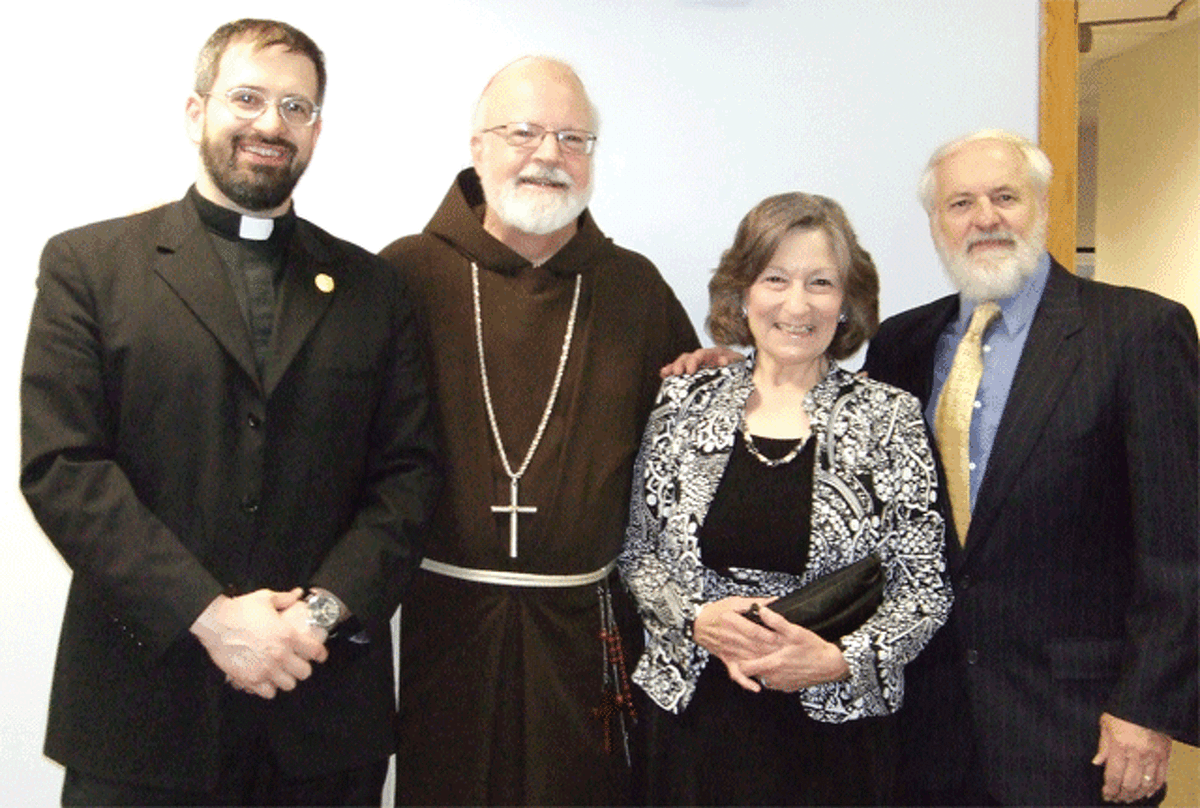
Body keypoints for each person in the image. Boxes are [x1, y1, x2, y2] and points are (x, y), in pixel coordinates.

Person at [20, 19, 440, 807]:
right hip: (142, 711)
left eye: (296, 106)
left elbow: (409, 477)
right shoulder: (89, 266)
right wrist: (210, 618)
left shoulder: (374, 289)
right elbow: (63, 469)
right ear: (195, 112)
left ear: (317, 129)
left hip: (320, 714)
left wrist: (315, 616)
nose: (270, 124)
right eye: (247, 98)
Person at [377, 56, 699, 806]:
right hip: (446, 627)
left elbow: (686, 461)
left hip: (586, 632)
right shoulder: (405, 275)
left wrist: (716, 382)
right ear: (477, 146)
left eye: (573, 138)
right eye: (523, 131)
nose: (549, 154)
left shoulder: (634, 288)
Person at [861, 129, 1198, 806]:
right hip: (927, 731)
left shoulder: (1137, 332)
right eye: (960, 203)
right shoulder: (900, 344)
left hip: (1079, 730)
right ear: (936, 224)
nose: (984, 218)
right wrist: (732, 374)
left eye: (1004, 196)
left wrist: (1149, 709)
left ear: (1040, 203)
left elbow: (1181, 548)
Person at [620, 192, 952, 806]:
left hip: (835, 740)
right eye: (776, 278)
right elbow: (637, 553)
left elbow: (925, 589)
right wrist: (695, 618)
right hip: (695, 725)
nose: (796, 305)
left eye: (820, 283)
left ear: (847, 303)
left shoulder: (890, 417)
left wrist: (839, 658)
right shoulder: (682, 402)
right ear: (742, 292)